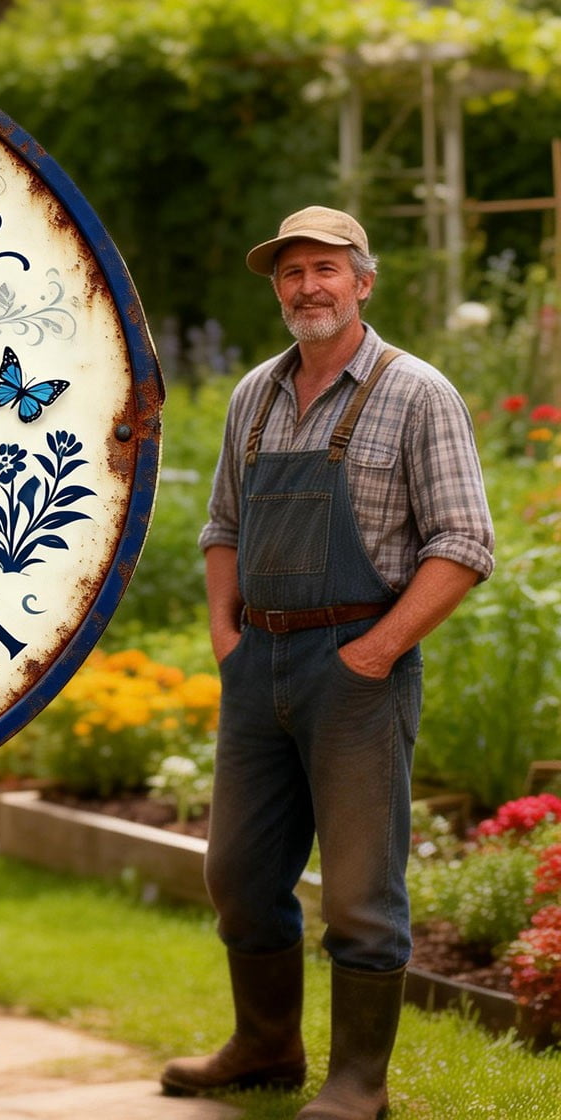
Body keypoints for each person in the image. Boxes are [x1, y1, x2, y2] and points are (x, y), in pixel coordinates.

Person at [161, 207, 493, 1120]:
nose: (308, 286)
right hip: (257, 663)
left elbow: (464, 544)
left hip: (357, 672)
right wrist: (227, 639)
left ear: (363, 282)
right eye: (291, 272)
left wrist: (373, 655)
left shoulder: (417, 392)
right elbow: (222, 526)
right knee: (237, 876)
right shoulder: (254, 395)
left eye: (325, 269)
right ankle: (265, 1048)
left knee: (359, 894)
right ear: (278, 289)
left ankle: (358, 1084)